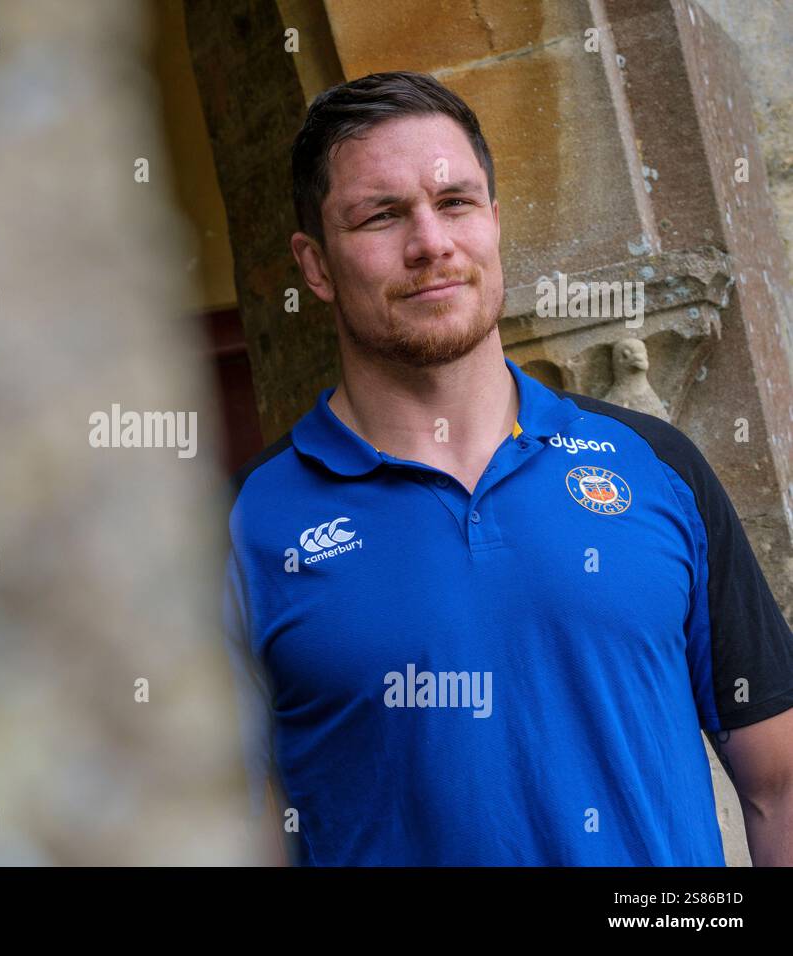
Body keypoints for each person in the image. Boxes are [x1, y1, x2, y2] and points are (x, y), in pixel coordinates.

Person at [221, 71, 793, 866]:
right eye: (381, 216)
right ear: (315, 265)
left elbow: (779, 786)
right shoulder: (246, 529)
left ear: (493, 221)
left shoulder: (654, 465)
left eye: (454, 203)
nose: (431, 243)